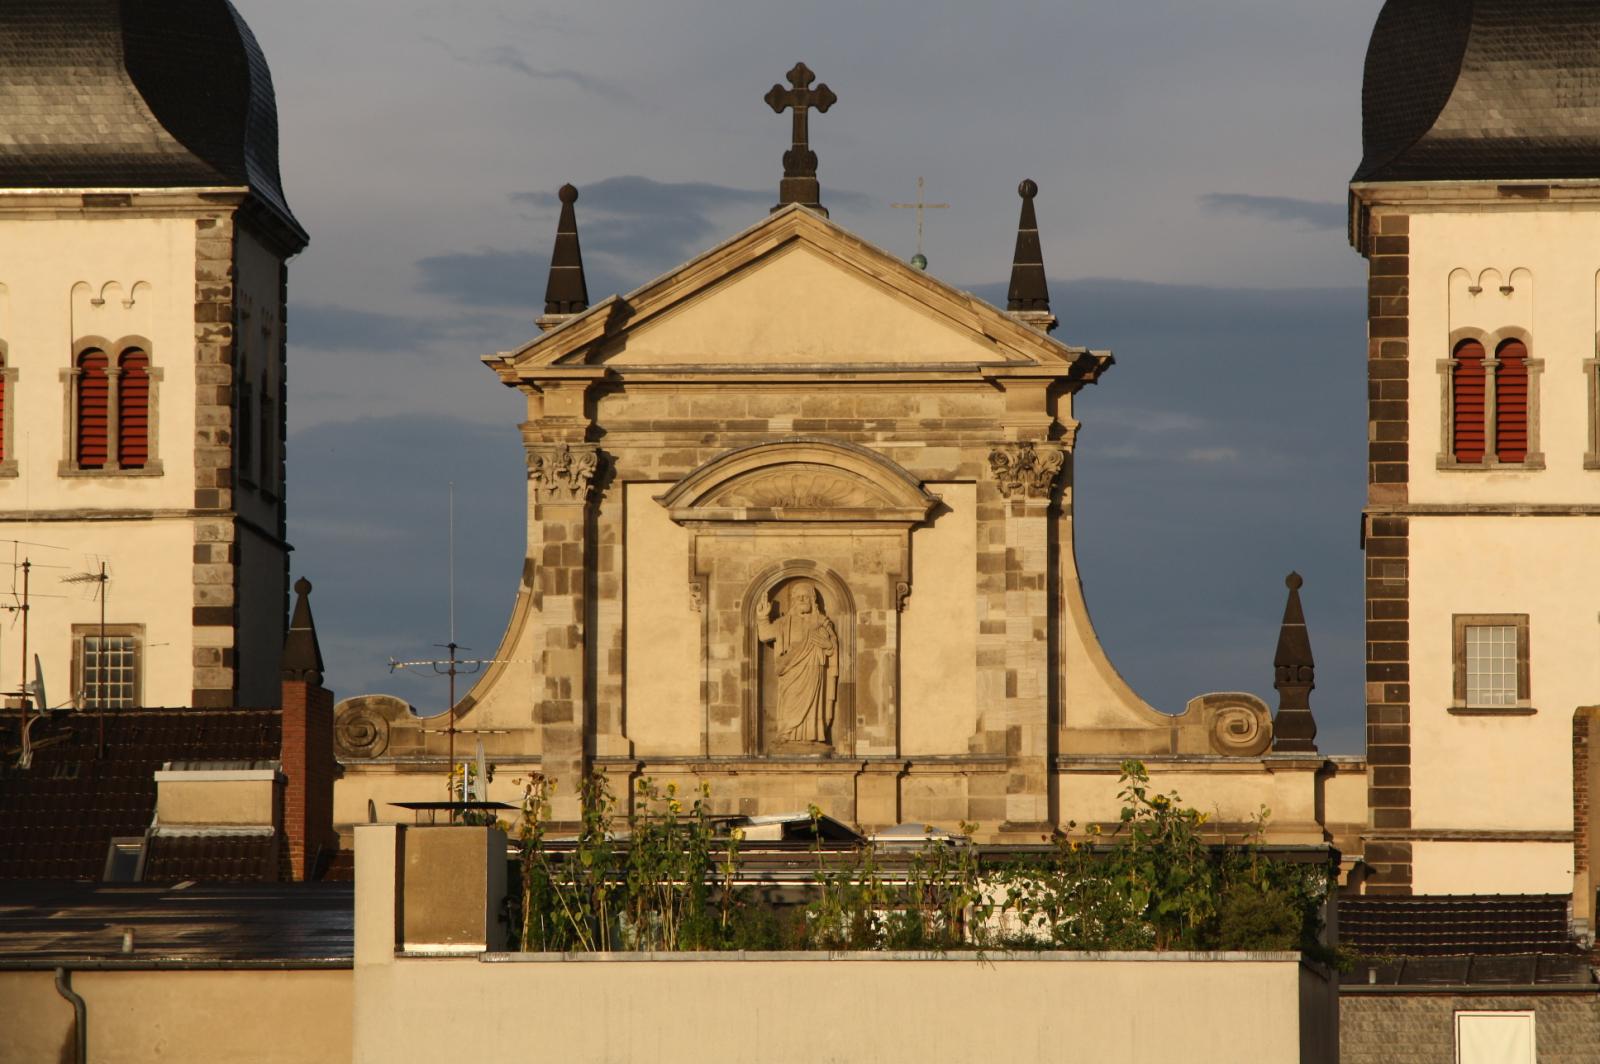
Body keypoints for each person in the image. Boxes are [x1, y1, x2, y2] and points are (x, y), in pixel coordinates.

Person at [757, 580, 838, 747]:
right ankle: (787, 735)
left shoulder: (821, 622)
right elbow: (765, 635)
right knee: (789, 703)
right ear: (793, 601)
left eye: (806, 597)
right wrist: (763, 617)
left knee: (812, 705)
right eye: (798, 597)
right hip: (789, 673)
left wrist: (828, 645)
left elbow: (832, 646)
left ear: (812, 600)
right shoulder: (784, 623)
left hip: (813, 671)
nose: (802, 600)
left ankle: (811, 736)